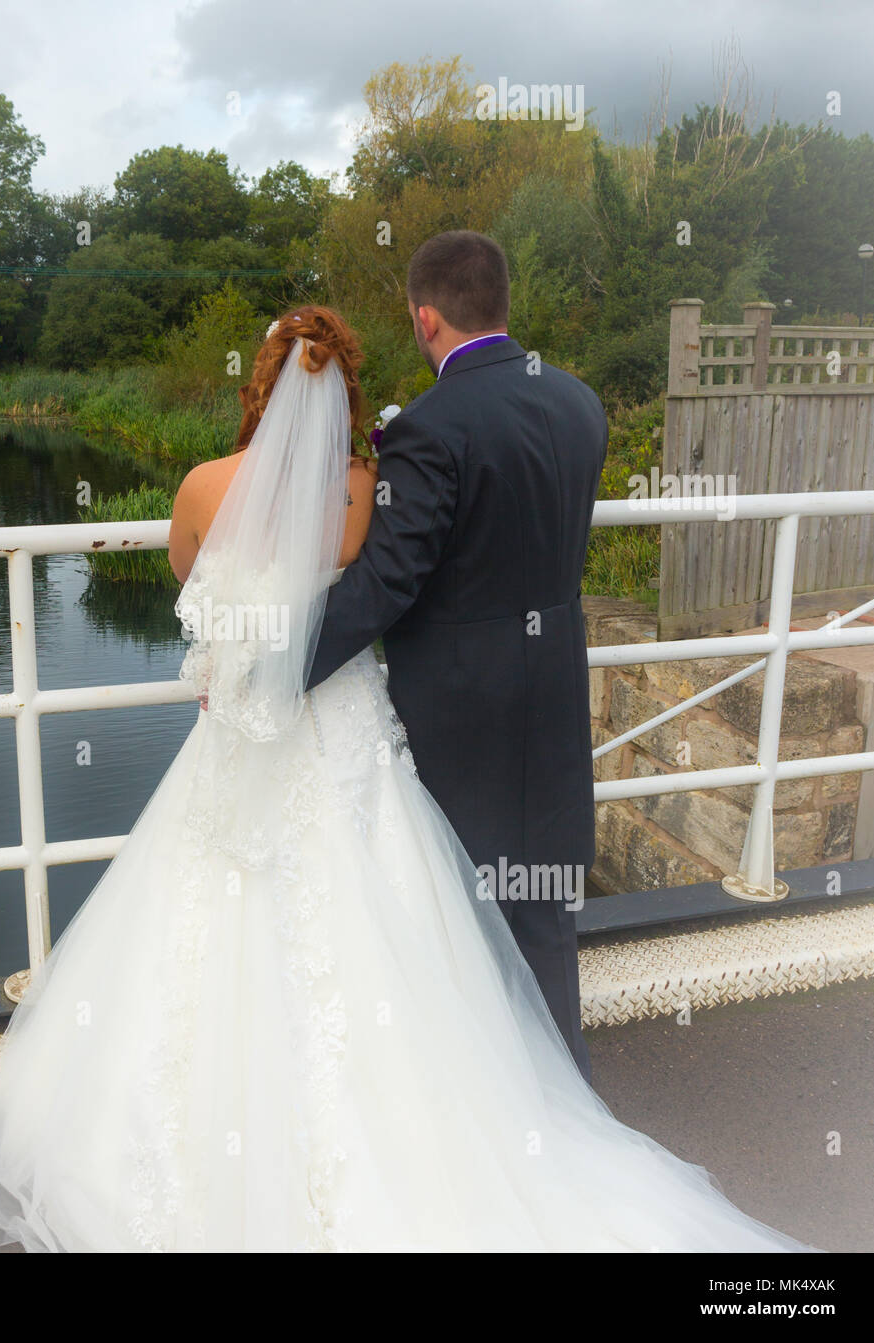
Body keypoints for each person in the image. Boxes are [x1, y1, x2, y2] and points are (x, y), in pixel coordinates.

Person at [0, 299, 812, 1253]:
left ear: (257, 385)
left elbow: (194, 586)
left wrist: (251, 672)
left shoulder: (198, 488)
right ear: (349, 390)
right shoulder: (365, 488)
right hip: (346, 735)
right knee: (387, 928)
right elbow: (393, 585)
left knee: (201, 931)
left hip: (234, 746)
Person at [307, 230, 604, 1080]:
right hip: (552, 699)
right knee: (544, 909)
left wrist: (277, 669)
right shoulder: (581, 404)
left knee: (455, 909)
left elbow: (385, 586)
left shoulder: (428, 429)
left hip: (460, 714)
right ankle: (564, 1093)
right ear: (501, 305)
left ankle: (477, 1104)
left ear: (425, 317)